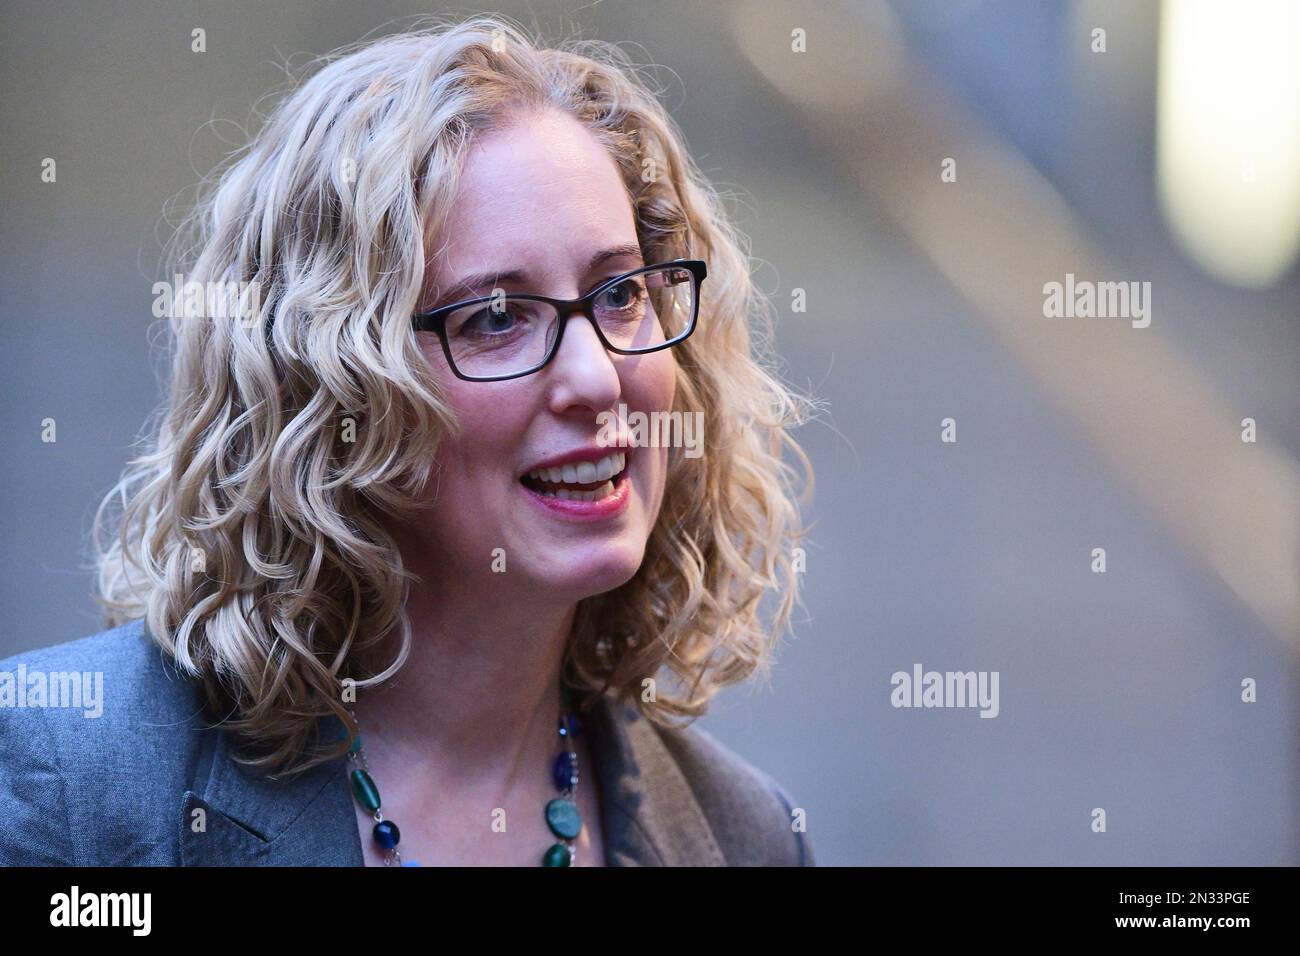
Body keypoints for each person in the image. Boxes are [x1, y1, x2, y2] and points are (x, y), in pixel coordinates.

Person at [0, 15, 816, 867]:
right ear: (330, 384)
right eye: (497, 316)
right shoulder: (72, 784)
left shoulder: (742, 835)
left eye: (619, 294)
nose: (599, 379)